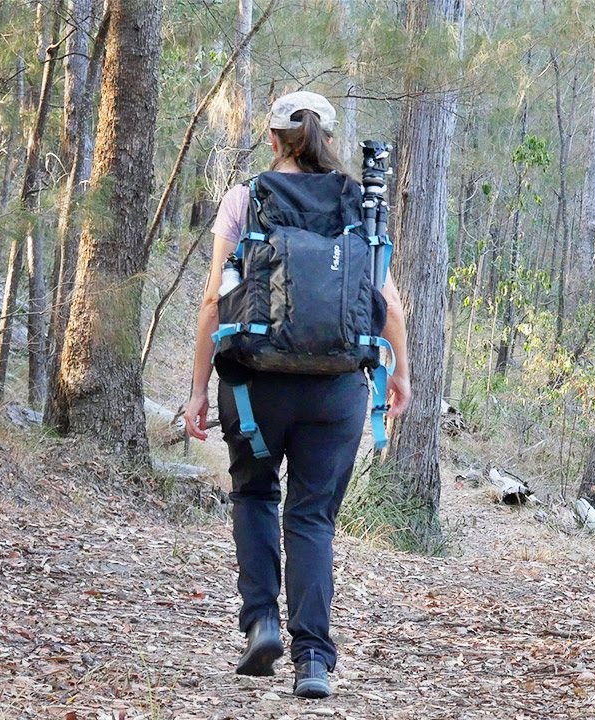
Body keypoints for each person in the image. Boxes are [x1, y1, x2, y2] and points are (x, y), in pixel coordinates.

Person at [184, 91, 411, 699]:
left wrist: (199, 388)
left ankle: (260, 623)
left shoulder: (246, 197)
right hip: (336, 388)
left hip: (254, 385)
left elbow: (213, 300)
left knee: (255, 495)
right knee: (311, 518)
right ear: (326, 138)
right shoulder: (358, 205)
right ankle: (313, 660)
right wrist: (400, 374)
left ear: (274, 138)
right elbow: (388, 305)